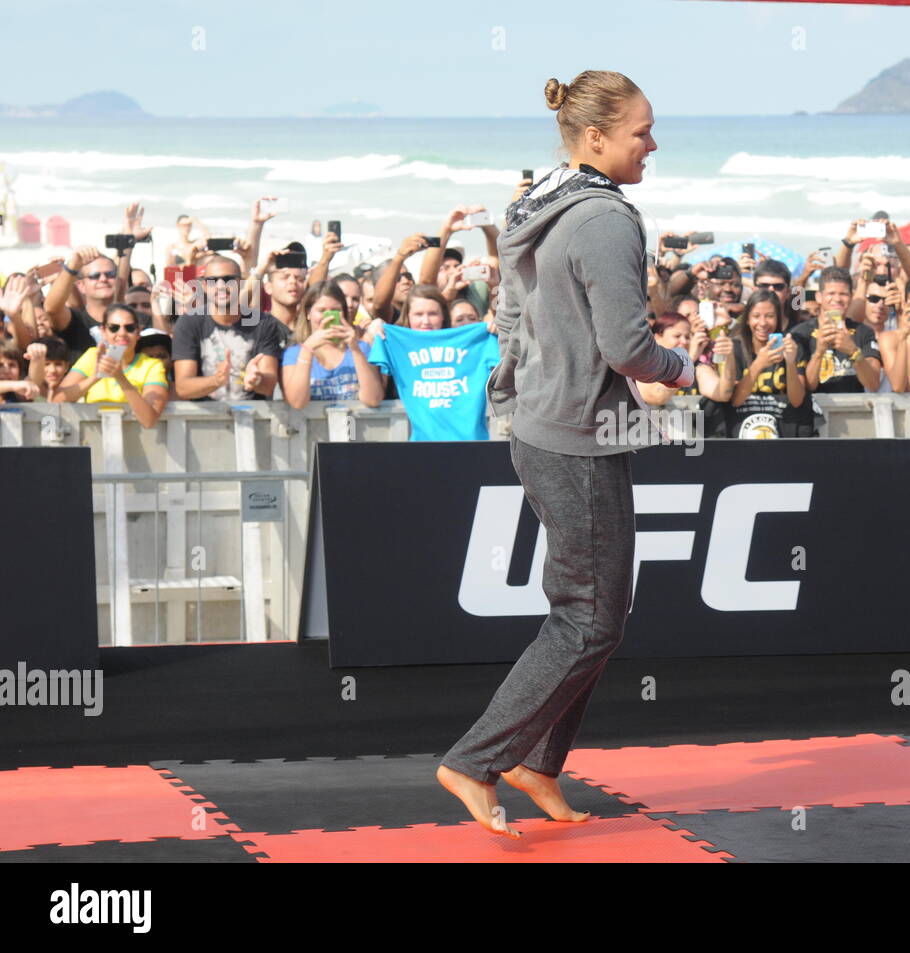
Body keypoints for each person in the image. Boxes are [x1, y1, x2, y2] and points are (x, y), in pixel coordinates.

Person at [437, 71, 692, 838]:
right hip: (579, 437)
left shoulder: (537, 202)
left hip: (552, 430)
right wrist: (685, 368)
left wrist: (512, 401)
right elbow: (627, 346)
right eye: (642, 131)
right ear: (596, 138)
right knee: (587, 619)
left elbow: (508, 319)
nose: (654, 143)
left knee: (594, 615)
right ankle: (476, 760)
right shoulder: (607, 220)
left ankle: (538, 762)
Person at [172, 255, 281, 401]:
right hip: (203, 420)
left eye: (228, 279)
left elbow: (269, 385)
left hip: (254, 419)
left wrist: (256, 380)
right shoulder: (189, 323)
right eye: (213, 281)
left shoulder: (264, 323)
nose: (221, 286)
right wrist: (216, 380)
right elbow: (183, 387)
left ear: (241, 283)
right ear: (204, 286)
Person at [54, 303, 169, 427]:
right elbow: (57, 400)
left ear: (138, 333)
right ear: (103, 331)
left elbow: (149, 420)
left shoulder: (152, 366)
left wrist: (121, 378)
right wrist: (95, 377)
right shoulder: (93, 356)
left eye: (129, 328)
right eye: (114, 328)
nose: (122, 333)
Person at [281, 280, 384, 409]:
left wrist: (355, 349)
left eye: (335, 311)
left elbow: (373, 399)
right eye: (321, 310)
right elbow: (297, 402)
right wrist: (307, 349)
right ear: (308, 313)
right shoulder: (294, 353)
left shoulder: (362, 348)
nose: (328, 317)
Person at [727, 289, 810, 436]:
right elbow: (735, 401)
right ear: (747, 319)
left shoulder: (792, 345)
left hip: (783, 431)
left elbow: (797, 400)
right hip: (743, 431)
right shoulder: (736, 348)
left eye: (770, 316)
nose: (763, 323)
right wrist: (759, 363)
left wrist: (790, 363)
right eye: (756, 316)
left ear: (778, 318)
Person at [793, 266, 881, 394]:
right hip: (815, 412)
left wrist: (853, 352)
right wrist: (819, 352)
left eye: (843, 294)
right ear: (818, 297)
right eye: (831, 293)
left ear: (851, 296)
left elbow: (873, 384)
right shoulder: (800, 333)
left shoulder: (864, 332)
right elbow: (808, 387)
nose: (838, 299)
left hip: (853, 410)